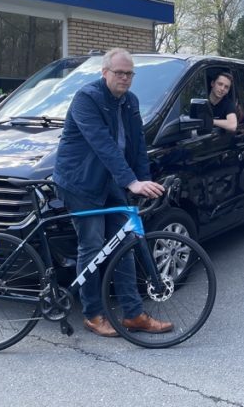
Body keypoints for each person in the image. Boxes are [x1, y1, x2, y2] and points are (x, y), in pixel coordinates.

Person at [54, 48, 173, 337]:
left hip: (110, 182)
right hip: (81, 182)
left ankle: (133, 314)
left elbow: (137, 146)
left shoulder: (130, 101)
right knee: (92, 245)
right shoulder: (87, 98)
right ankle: (93, 314)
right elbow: (102, 144)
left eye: (129, 73)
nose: (125, 78)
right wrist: (130, 181)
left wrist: (143, 183)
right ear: (104, 72)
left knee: (126, 243)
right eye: (119, 73)